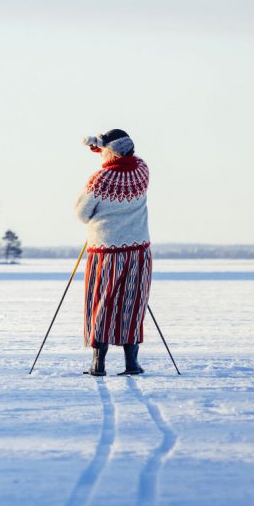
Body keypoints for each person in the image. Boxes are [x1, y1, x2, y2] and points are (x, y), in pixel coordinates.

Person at [74, 129, 151, 376]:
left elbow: (81, 214)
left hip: (105, 252)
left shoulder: (100, 180)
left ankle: (99, 363)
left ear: (109, 151)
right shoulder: (142, 170)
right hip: (139, 251)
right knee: (132, 304)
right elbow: (120, 158)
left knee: (101, 304)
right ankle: (132, 363)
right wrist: (101, 147)